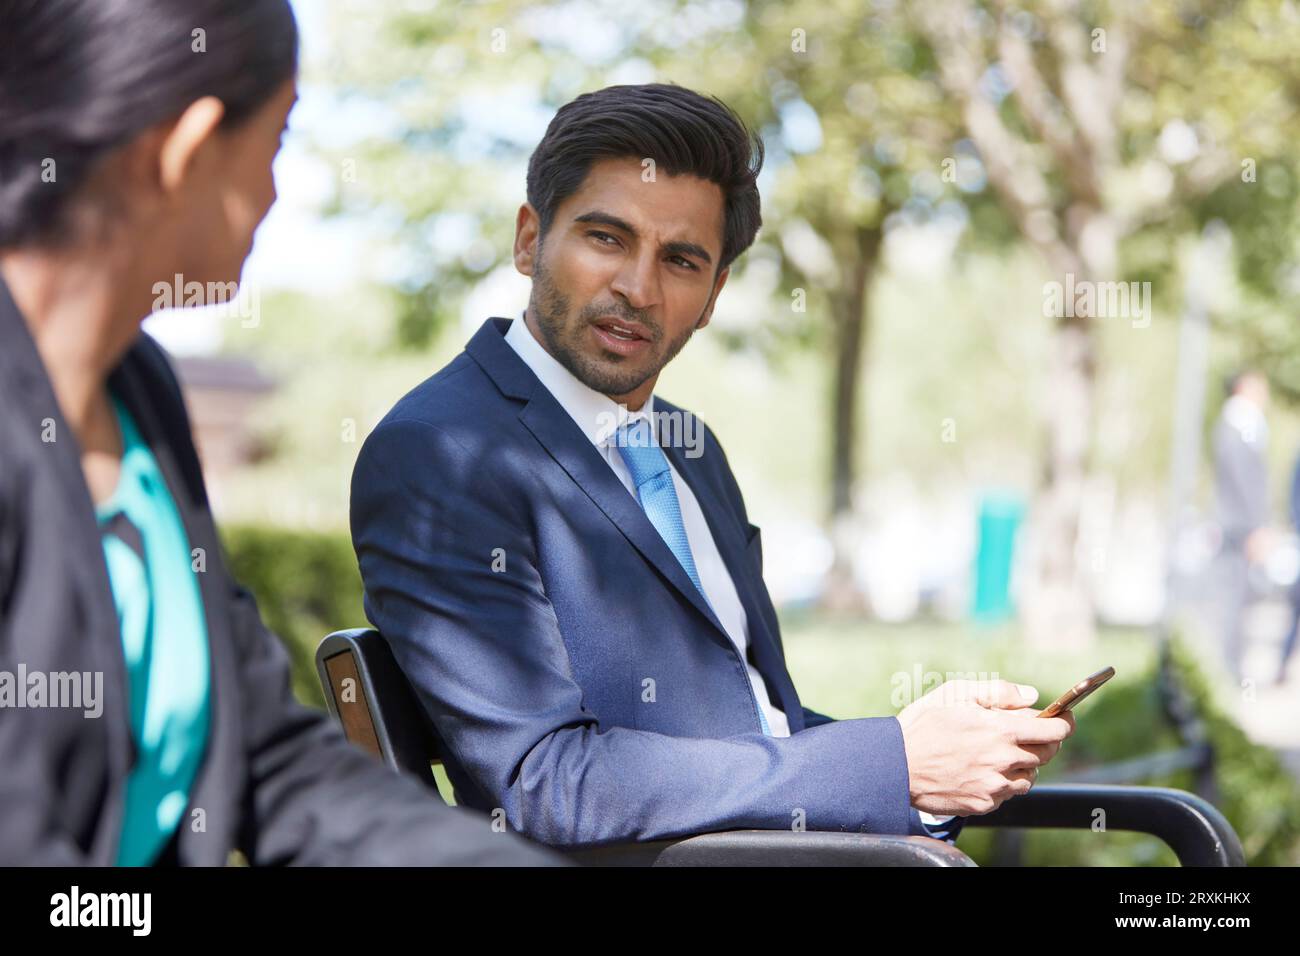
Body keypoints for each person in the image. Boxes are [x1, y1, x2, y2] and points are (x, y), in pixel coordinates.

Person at [350, 83, 1075, 848]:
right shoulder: (442, 454)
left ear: (714, 293)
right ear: (530, 239)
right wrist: (892, 762)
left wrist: (935, 755)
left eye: (682, 259)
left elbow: (755, 727)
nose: (638, 287)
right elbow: (542, 779)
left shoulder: (689, 450)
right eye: (605, 238)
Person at [0, 0, 558, 866]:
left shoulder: (136, 392)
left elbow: (263, 754)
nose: (274, 193)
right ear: (185, 153)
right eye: (278, 139)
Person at [1211, 369, 1273, 685]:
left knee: (1240, 599)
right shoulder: (1238, 428)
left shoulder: (1241, 426)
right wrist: (1255, 528)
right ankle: (1229, 670)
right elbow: (1246, 485)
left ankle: (1231, 667)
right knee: (1234, 599)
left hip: (1239, 527)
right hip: (1239, 528)